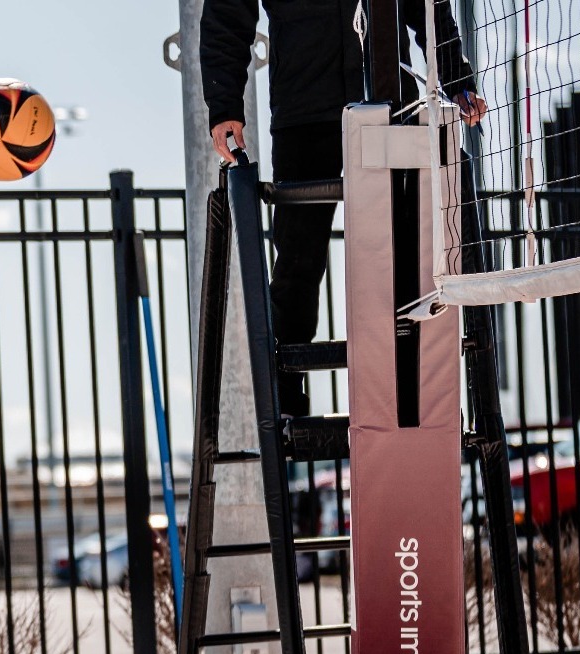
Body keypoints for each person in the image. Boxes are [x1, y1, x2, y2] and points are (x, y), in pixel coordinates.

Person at [200, 0, 487, 414]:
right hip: (304, 111)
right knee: (298, 258)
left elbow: (427, 7)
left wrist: (457, 81)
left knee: (403, 253)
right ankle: (288, 399)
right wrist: (225, 106)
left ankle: (407, 394)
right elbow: (228, 13)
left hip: (388, 106)